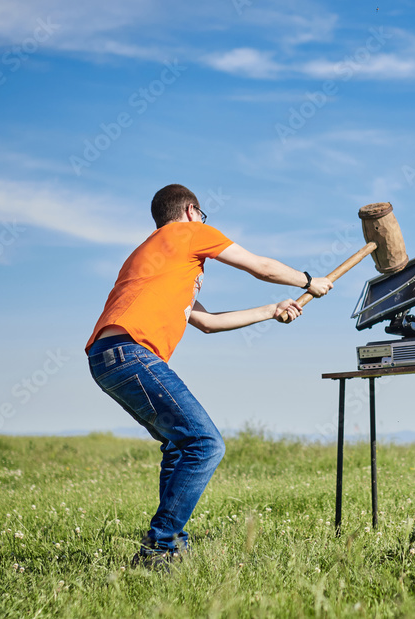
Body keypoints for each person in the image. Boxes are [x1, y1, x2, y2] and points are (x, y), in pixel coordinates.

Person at [84, 184, 332, 570]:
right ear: (191, 211)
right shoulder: (188, 233)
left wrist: (272, 309)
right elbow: (260, 266)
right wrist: (307, 281)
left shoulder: (152, 256)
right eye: (202, 216)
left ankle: (171, 546)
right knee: (205, 443)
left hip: (105, 358)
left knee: (180, 444)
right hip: (132, 353)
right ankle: (159, 548)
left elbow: (207, 322)